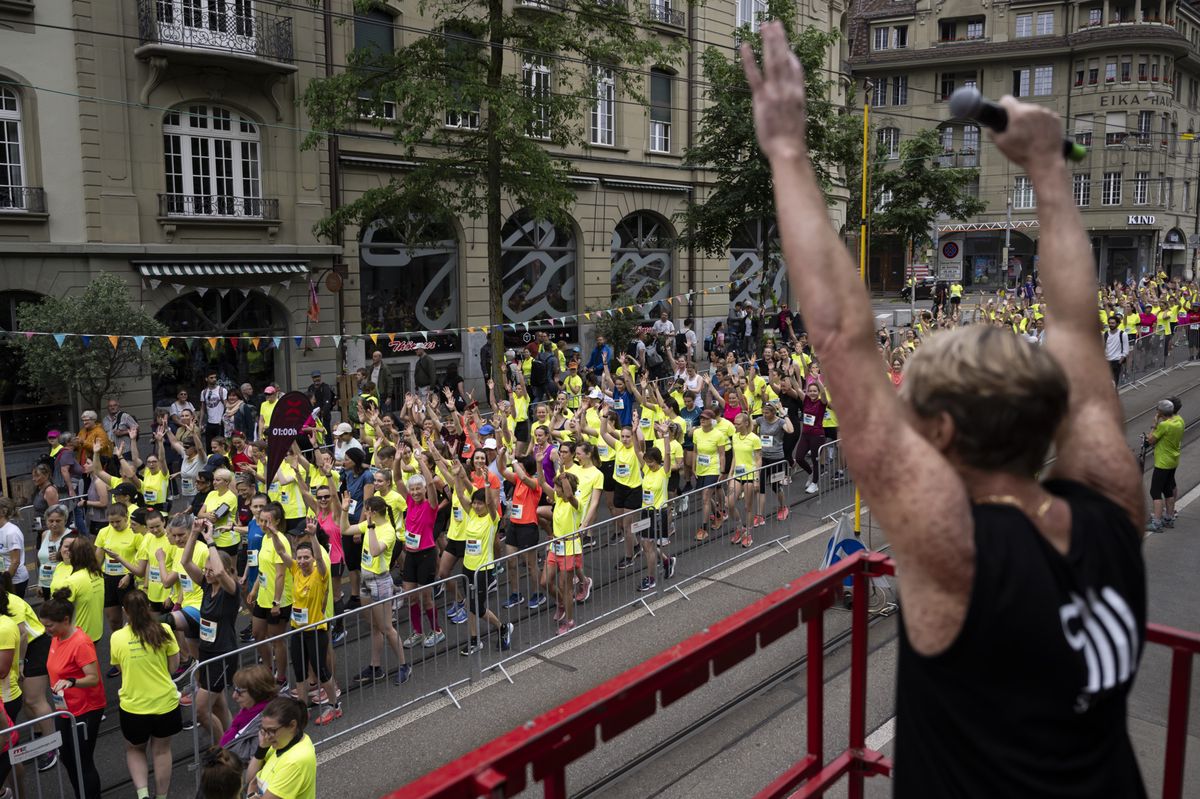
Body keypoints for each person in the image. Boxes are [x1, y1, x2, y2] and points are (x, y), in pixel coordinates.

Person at [745, 25, 1145, 797]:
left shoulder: (952, 545)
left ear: (942, 432)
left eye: (910, 397)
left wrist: (788, 152)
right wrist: (1051, 178)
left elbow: (835, 333)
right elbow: (1078, 337)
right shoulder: (1110, 506)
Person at [110, 589, 181, 799]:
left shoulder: (117, 638)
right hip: (165, 703)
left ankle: (143, 795)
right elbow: (174, 667)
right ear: (148, 607)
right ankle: (161, 796)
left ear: (125, 612)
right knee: (161, 751)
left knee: (134, 750)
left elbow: (122, 669)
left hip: (134, 707)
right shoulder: (165, 629)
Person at [179, 515, 239, 743]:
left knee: (202, 710)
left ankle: (222, 747)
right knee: (220, 706)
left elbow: (222, 573)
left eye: (210, 569)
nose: (207, 572)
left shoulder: (230, 591)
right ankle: (235, 742)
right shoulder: (206, 585)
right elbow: (185, 562)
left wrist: (211, 540)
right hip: (206, 653)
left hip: (223, 655)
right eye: (205, 569)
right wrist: (194, 533)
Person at [41, 589, 106, 799]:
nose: (46, 630)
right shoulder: (57, 637)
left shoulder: (81, 643)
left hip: (86, 710)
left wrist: (72, 681)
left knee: (82, 759)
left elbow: (94, 677)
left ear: (65, 620)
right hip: (64, 709)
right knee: (67, 757)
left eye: (49, 625)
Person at [339, 496, 411, 685]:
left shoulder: (387, 530)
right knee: (373, 626)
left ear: (373, 512)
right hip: (366, 579)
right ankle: (375, 666)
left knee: (387, 627)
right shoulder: (370, 525)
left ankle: (404, 665)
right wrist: (344, 510)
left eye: (366, 510)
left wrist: (370, 528)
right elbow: (345, 529)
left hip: (380, 582)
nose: (364, 513)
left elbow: (374, 551)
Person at [286, 537, 342, 725]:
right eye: (299, 557)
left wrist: (312, 537)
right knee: (300, 671)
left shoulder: (320, 573)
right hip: (296, 629)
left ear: (313, 559)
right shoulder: (295, 570)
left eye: (306, 558)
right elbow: (281, 552)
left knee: (321, 670)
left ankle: (335, 706)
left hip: (315, 629)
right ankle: (303, 708)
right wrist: (272, 532)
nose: (302, 561)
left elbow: (319, 555)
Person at [245, 697, 317, 799]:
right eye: (263, 730)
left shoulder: (295, 761)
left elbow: (251, 785)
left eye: (271, 730)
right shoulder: (281, 741)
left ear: (292, 725)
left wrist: (251, 793)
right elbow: (249, 779)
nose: (266, 736)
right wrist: (261, 748)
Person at [218, 664, 278, 764]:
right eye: (234, 689)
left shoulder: (264, 725)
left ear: (257, 692)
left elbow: (256, 763)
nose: (234, 696)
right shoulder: (248, 712)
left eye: (240, 692)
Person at [1146, 398, 1184, 532]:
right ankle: (1169, 518)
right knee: (1168, 489)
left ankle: (1156, 523)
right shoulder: (1179, 421)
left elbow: (1150, 440)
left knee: (1155, 491)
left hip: (1163, 462)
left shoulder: (1164, 425)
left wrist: (1154, 424)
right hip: (1173, 460)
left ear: (1161, 412)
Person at [0, 499, 28, 598]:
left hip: (15, 581)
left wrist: (4, 583)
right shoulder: (1, 529)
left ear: (3, 512)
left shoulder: (12, 532)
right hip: (4, 577)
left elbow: (15, 562)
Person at [200, 372, 229, 446]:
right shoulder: (204, 392)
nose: (214, 379)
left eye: (215, 377)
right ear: (206, 379)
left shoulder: (222, 390)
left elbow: (227, 406)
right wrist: (200, 423)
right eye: (211, 378)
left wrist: (225, 419)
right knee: (209, 445)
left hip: (220, 423)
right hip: (209, 423)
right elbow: (202, 408)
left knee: (220, 445)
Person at [1104, 314, 1130, 385]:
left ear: (1118, 324)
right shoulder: (1105, 334)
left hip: (1116, 361)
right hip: (1106, 361)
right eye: (1109, 323)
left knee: (1114, 383)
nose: (1110, 324)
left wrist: (1119, 362)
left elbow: (1126, 350)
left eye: (1113, 323)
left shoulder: (1123, 334)